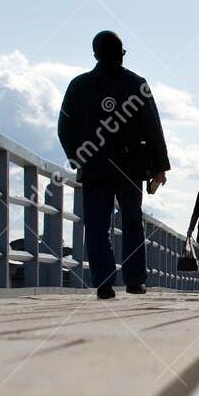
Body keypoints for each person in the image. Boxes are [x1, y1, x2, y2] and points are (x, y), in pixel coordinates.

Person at [57, 31, 170, 299]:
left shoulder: (79, 85)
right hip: (130, 166)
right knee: (132, 223)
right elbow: (152, 127)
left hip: (94, 166)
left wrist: (77, 157)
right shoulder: (136, 84)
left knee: (96, 226)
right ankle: (134, 281)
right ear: (122, 53)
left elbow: (65, 127)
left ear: (95, 54)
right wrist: (159, 166)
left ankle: (104, 282)